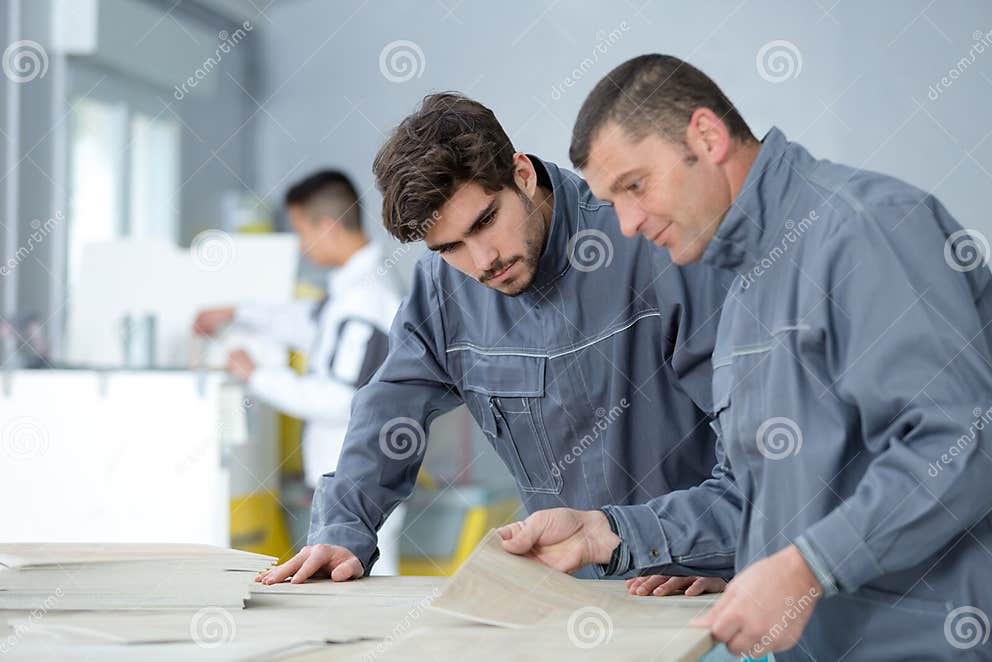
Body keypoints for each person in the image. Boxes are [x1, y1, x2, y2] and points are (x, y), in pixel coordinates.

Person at [497, 54, 992, 660]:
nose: (626, 224)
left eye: (635, 185)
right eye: (611, 200)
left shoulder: (866, 226)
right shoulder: (744, 289)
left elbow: (961, 442)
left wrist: (807, 568)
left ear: (706, 137)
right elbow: (754, 500)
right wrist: (608, 532)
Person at [256, 93, 734, 590]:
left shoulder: (654, 245)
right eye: (449, 246)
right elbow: (389, 409)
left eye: (484, 221)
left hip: (693, 587)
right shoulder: (444, 288)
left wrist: (715, 555)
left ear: (522, 174)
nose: (482, 260)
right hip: (563, 598)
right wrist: (342, 531)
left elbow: (766, 456)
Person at [193, 170, 406, 574]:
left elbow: (341, 399)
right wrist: (239, 312)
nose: (301, 246)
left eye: (300, 231)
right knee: (347, 587)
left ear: (326, 227)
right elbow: (312, 325)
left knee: (363, 588)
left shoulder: (366, 299)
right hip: (348, 480)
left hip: (357, 481)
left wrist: (256, 376)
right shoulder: (351, 292)